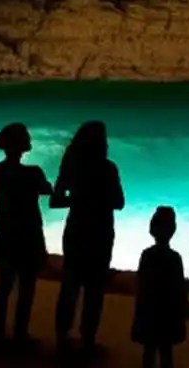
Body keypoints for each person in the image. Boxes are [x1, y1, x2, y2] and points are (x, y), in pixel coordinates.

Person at [51, 120, 125, 354]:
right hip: (100, 231)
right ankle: (88, 340)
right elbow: (119, 202)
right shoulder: (108, 168)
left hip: (75, 228)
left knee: (70, 285)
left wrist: (80, 199)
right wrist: (97, 199)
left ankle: (62, 338)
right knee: (94, 288)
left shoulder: (72, 166)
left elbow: (56, 201)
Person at [0, 122, 53, 356]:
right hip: (29, 233)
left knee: (4, 287)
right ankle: (20, 335)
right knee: (26, 289)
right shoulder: (33, 173)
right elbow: (48, 190)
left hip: (6, 232)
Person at [132, 207, 189, 368]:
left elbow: (141, 286)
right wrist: (184, 309)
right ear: (173, 230)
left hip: (149, 311)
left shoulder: (146, 255)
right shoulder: (175, 258)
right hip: (168, 313)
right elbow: (179, 288)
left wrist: (138, 314)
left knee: (148, 352)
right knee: (167, 352)